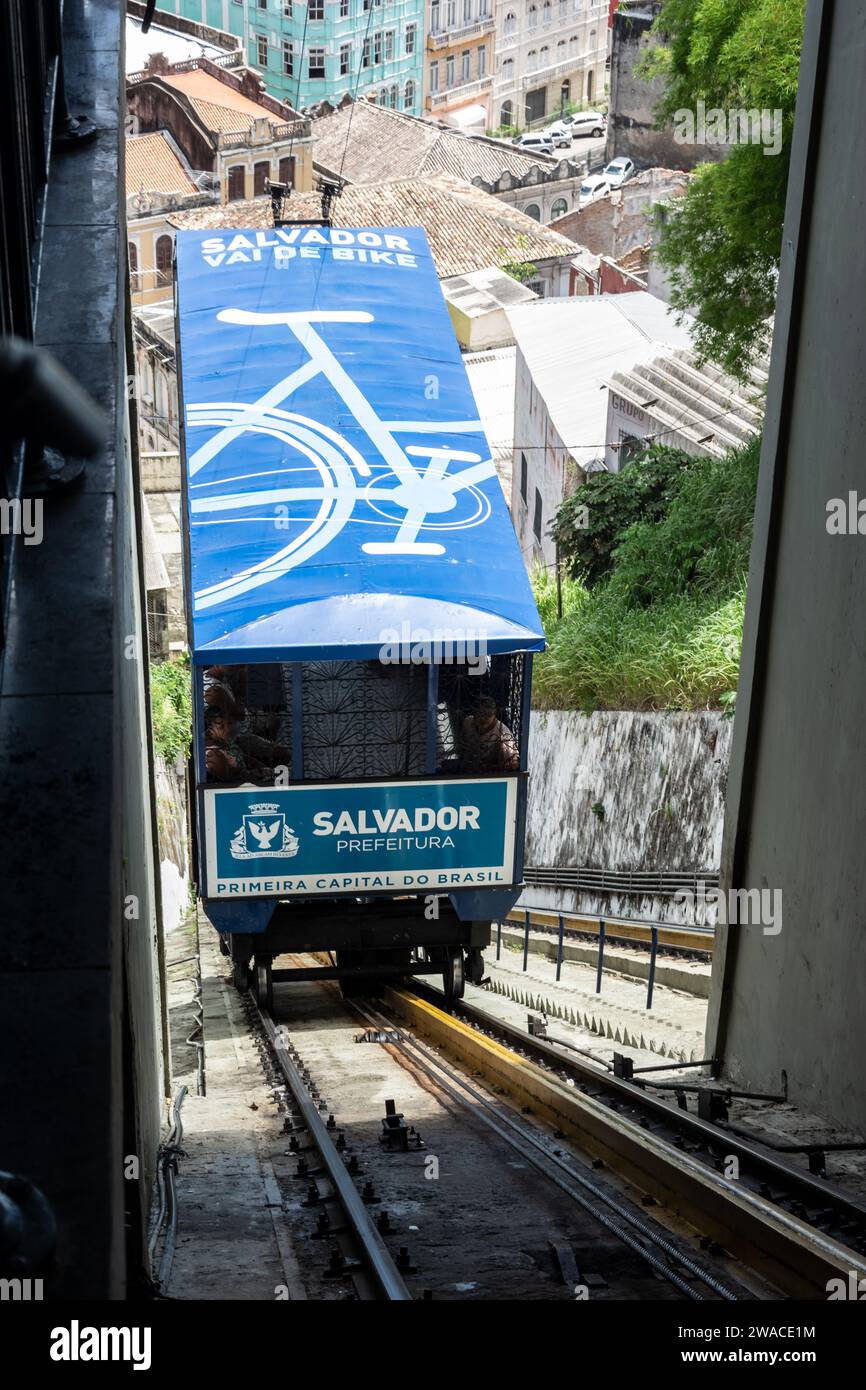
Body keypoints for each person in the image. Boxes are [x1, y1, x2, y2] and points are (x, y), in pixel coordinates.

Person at [460, 695, 519, 773]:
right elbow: (461, 747)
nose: (483, 719)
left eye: (487, 715)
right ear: (474, 714)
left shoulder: (504, 732)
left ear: (494, 714)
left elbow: (514, 762)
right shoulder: (467, 722)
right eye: (479, 715)